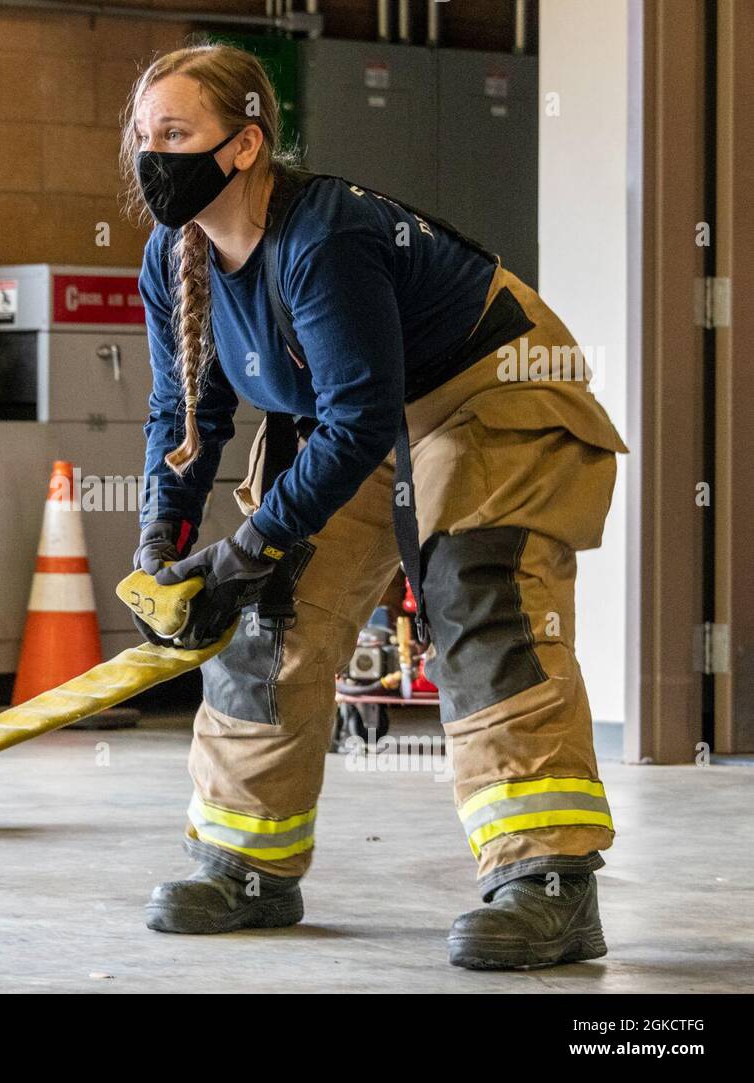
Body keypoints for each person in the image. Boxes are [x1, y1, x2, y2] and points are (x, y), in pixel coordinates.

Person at [120, 43, 627, 970]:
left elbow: (354, 427)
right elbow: (182, 410)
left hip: (493, 387)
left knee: (479, 595)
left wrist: (247, 546)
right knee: (270, 610)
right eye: (143, 136)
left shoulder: (325, 238)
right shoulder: (172, 255)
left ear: (244, 145)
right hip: (361, 406)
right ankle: (246, 865)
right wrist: (169, 534)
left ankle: (547, 883)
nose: (153, 154)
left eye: (176, 133)